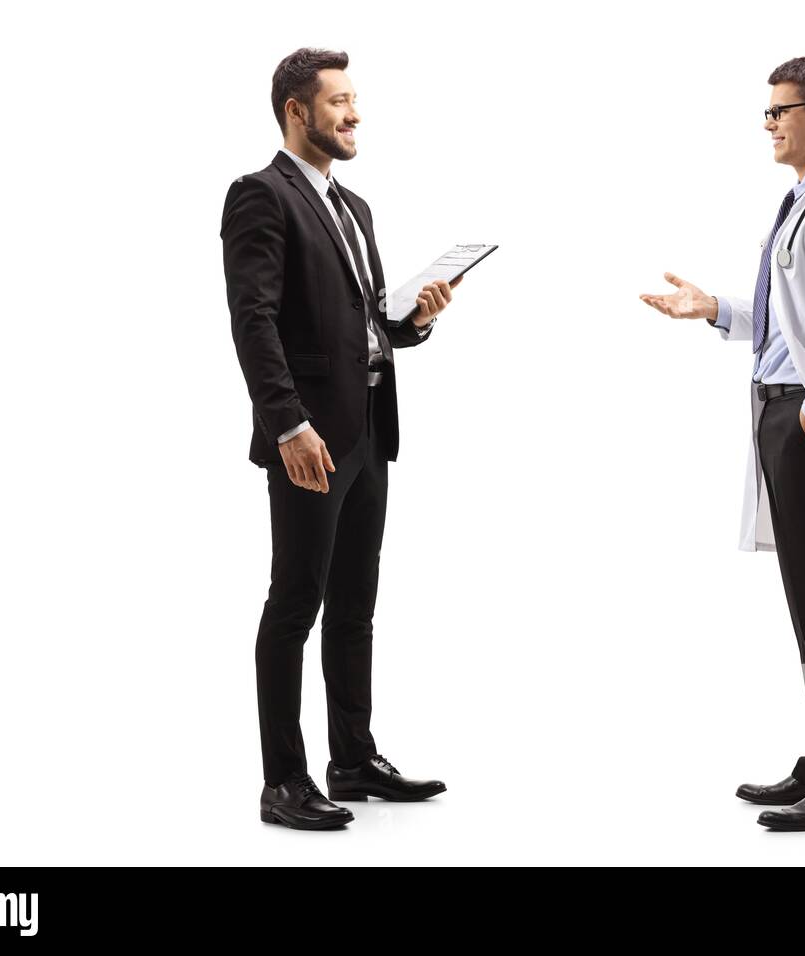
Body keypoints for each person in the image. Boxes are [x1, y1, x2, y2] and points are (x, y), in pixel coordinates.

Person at [639, 56, 805, 831]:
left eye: (779, 111)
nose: (769, 124)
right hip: (781, 418)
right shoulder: (801, 201)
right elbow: (803, 319)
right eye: (767, 112)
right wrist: (717, 308)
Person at [221, 47, 458, 830]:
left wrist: (413, 322)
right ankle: (282, 781)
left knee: (355, 604)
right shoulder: (260, 196)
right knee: (295, 602)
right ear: (298, 111)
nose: (354, 114)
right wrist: (287, 423)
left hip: (369, 429)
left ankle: (352, 759)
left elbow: (366, 323)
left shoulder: (354, 208)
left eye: (355, 101)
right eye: (339, 102)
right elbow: (253, 321)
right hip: (310, 436)